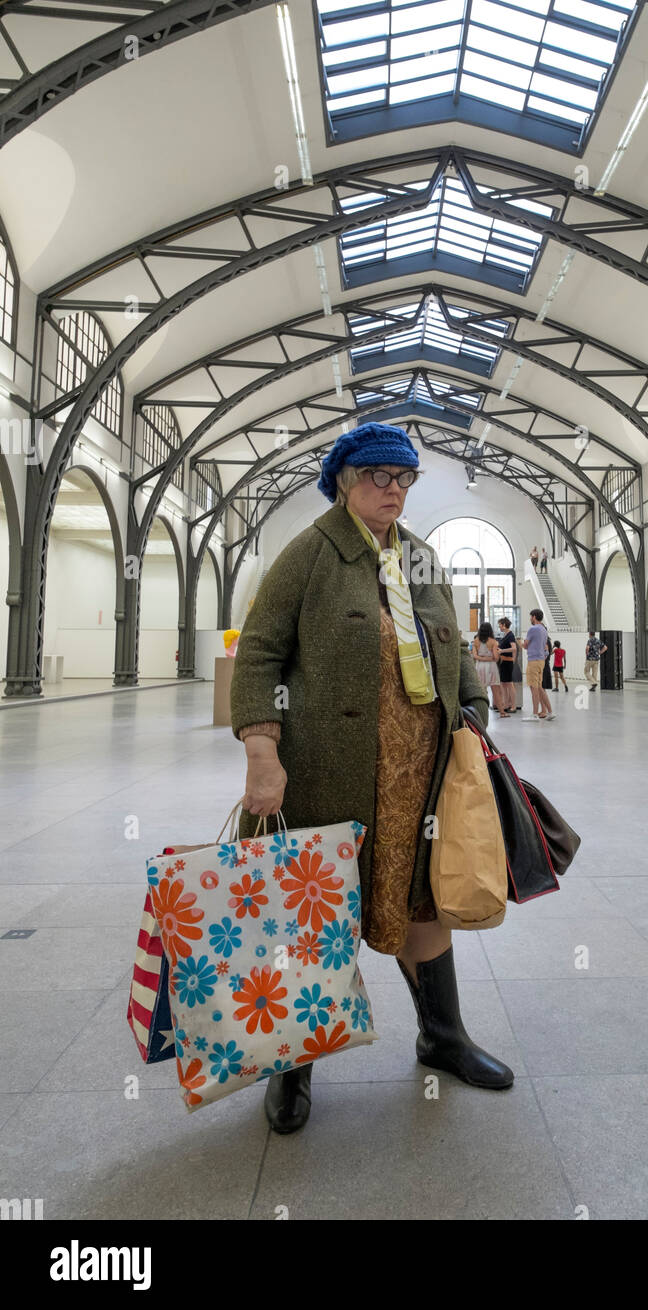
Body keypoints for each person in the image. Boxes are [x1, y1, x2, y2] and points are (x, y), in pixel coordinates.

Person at [231, 422, 514, 1135]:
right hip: (330, 771)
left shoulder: (420, 556)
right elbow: (260, 654)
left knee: (423, 899)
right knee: (312, 916)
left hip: (420, 773)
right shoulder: (311, 553)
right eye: (377, 476)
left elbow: (449, 647)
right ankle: (291, 1069)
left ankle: (442, 1037)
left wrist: (474, 713)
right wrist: (262, 754)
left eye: (403, 478)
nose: (392, 489)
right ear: (343, 481)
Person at [521, 608, 555, 721]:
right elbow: (546, 648)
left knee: (533, 688)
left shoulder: (533, 629)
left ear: (534, 617)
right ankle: (550, 712)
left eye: (531, 616)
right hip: (541, 661)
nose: (530, 619)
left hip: (533, 661)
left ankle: (535, 714)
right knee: (540, 687)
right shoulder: (544, 630)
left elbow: (526, 645)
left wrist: (520, 643)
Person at [472, 621, 503, 716]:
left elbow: (474, 656)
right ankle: (502, 712)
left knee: (481, 690)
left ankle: (480, 710)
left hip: (479, 666)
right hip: (491, 666)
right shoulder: (493, 642)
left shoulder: (476, 641)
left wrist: (482, 658)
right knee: (495, 690)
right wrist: (490, 658)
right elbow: (496, 658)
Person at [496, 616, 517, 714]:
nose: (499, 627)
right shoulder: (505, 635)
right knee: (503, 684)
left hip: (507, 662)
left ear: (504, 625)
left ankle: (513, 705)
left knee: (509, 683)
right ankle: (506, 704)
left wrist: (502, 651)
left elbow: (514, 648)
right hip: (503, 662)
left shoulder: (510, 635)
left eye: (500, 625)